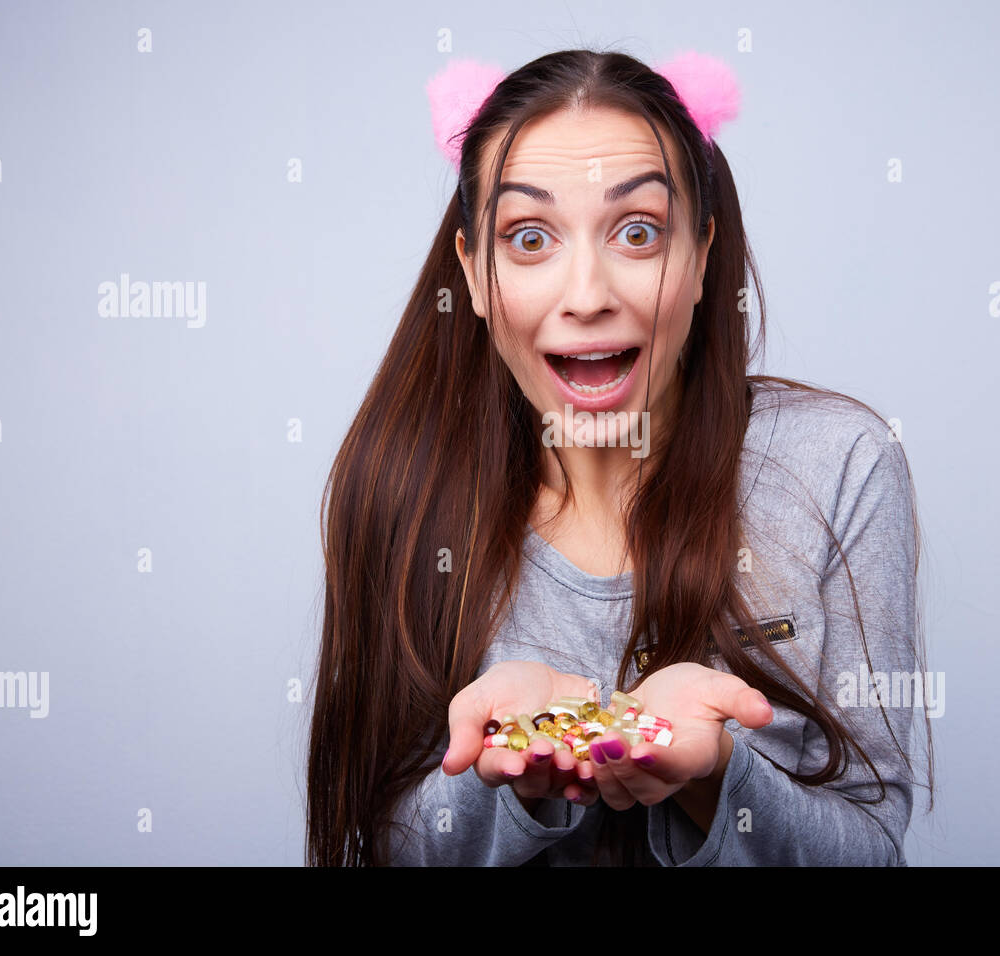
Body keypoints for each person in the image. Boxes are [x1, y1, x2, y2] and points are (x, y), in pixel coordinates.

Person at [306, 48, 933, 866]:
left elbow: (869, 852)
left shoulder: (838, 465)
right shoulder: (402, 490)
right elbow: (379, 847)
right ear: (474, 271)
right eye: (529, 238)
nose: (588, 293)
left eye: (638, 233)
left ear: (704, 255)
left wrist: (714, 771)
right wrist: (507, 774)